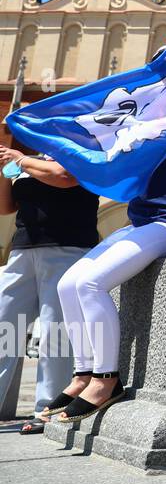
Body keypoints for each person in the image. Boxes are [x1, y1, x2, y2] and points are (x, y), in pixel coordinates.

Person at [51, 123, 166, 421]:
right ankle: (83, 374)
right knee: (67, 284)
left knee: (89, 283)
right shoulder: (140, 117)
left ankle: (106, 379)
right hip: (142, 223)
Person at [0, 146, 99, 434]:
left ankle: (48, 409)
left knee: (55, 333)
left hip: (67, 247)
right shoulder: (34, 161)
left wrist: (20, 159)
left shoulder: (81, 153)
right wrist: (7, 170)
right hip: (23, 249)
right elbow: (6, 207)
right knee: (5, 326)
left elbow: (64, 177)